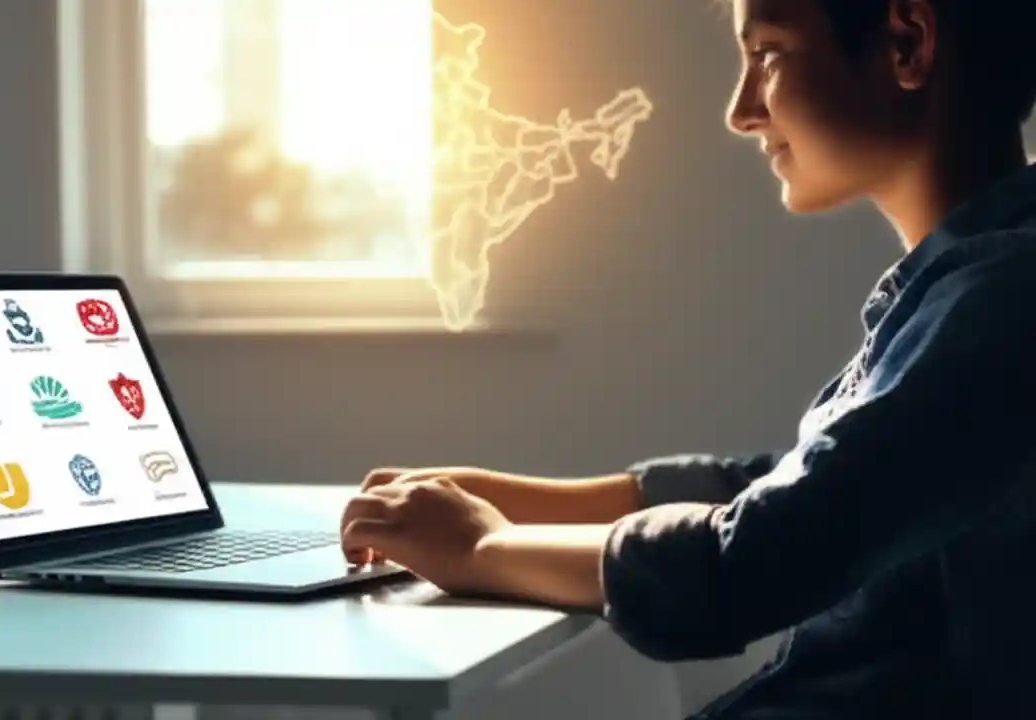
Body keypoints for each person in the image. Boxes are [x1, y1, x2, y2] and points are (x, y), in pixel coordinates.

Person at [338, 0, 1036, 716]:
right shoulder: (967, 290)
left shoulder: (1001, 305)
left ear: (907, 44)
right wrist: (503, 505)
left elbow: (759, 558)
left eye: (767, 53)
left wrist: (485, 548)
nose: (740, 112)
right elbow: (803, 486)